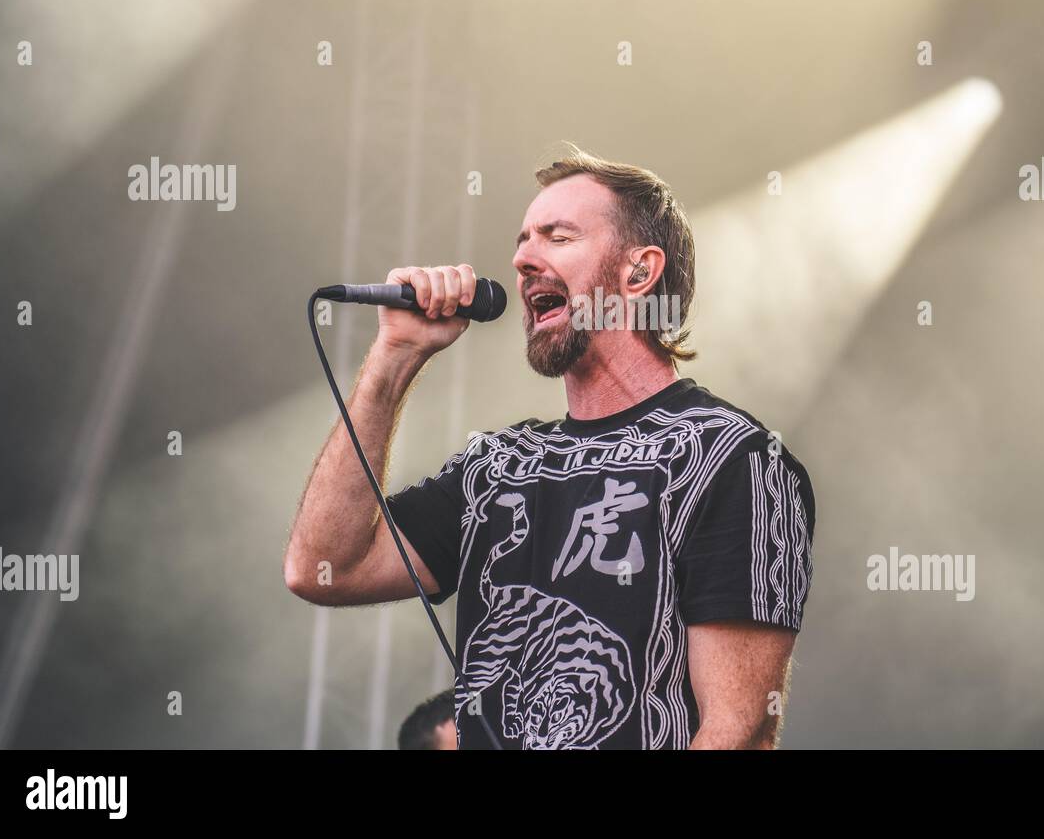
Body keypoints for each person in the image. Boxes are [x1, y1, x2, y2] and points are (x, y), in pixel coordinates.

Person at [285, 145, 815, 749]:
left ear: (638, 273)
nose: (522, 258)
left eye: (557, 237)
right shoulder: (500, 466)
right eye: (522, 241)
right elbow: (324, 568)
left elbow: (739, 729)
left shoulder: (732, 458)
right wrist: (395, 358)